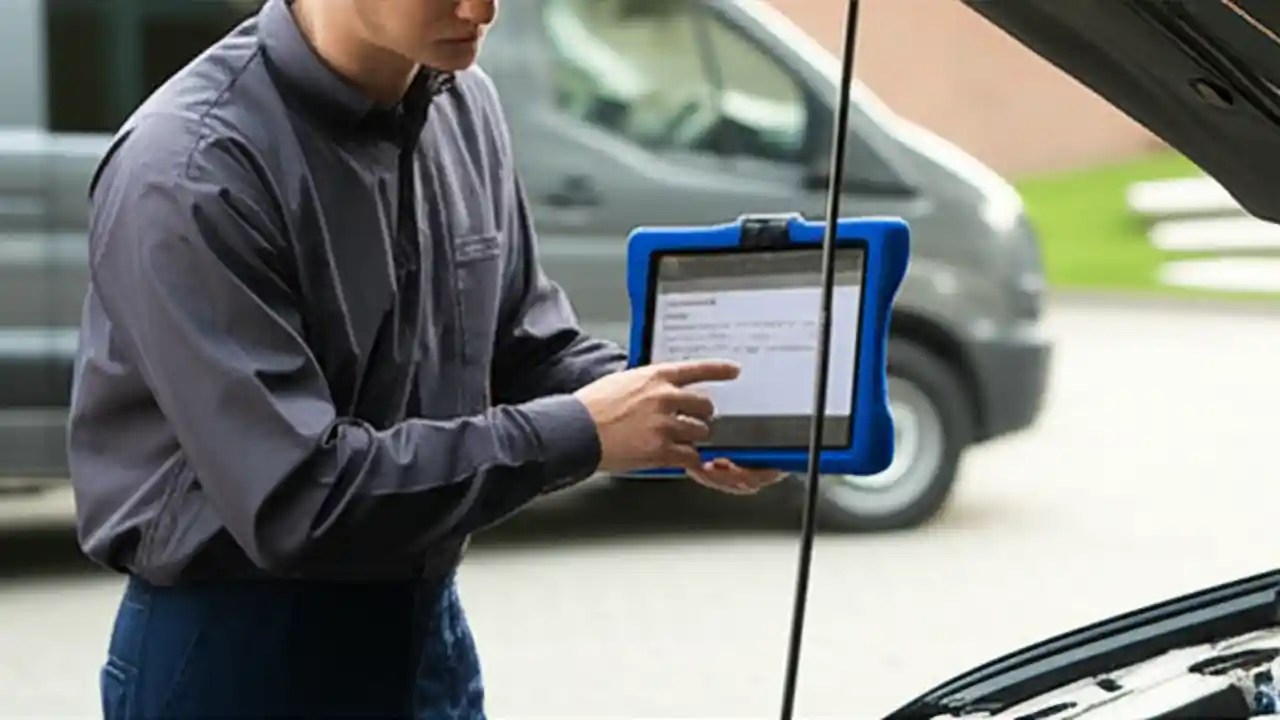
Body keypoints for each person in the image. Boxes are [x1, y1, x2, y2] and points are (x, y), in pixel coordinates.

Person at [68, 0, 787, 717]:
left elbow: (523, 346)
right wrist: (583, 432)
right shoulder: (191, 170)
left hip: (425, 635)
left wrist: (682, 406)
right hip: (237, 654)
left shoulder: (463, 102)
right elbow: (298, 497)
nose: (483, 8)